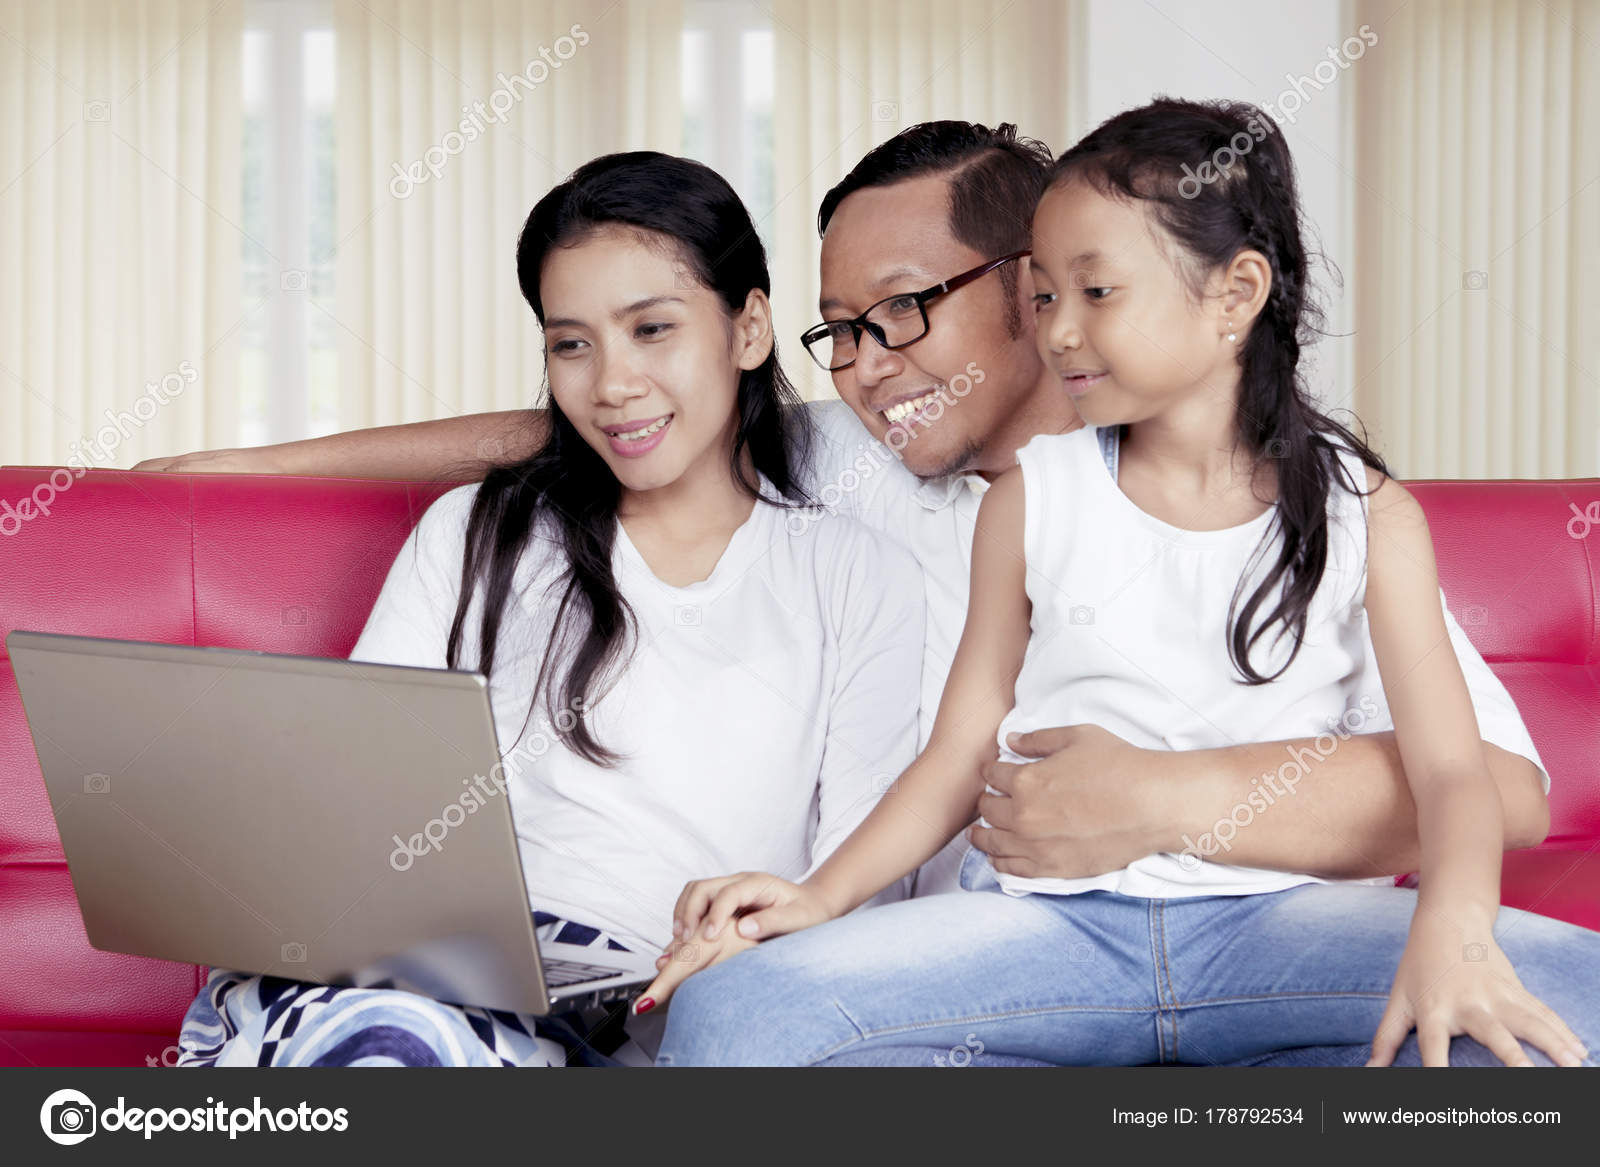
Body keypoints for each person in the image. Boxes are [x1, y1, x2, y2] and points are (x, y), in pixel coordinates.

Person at [143, 121, 1561, 1066]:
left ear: (1039, 285)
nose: (866, 363)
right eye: (838, 331)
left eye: (901, 311)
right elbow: (579, 416)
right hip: (970, 970)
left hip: (1219, 933)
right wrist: (217, 472)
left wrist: (1173, 796)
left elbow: (1498, 788)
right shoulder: (852, 454)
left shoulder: (1313, 496)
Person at [641, 99, 1600, 1068]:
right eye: (1048, 297)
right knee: (735, 1018)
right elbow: (955, 756)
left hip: (1277, 930)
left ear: (1233, 295)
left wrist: (1455, 929)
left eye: (1091, 293)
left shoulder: (1359, 511)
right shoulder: (1002, 494)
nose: (865, 365)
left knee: (1572, 1011)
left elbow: (1467, 778)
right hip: (1051, 940)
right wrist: (816, 895)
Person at [173, 152, 924, 1067]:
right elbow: (350, 816)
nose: (611, 385)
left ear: (751, 327)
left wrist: (749, 940)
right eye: (572, 344)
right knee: (396, 1031)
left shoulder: (854, 574)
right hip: (424, 976)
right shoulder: (475, 533)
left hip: (652, 1004)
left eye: (652, 329)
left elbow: (861, 885)